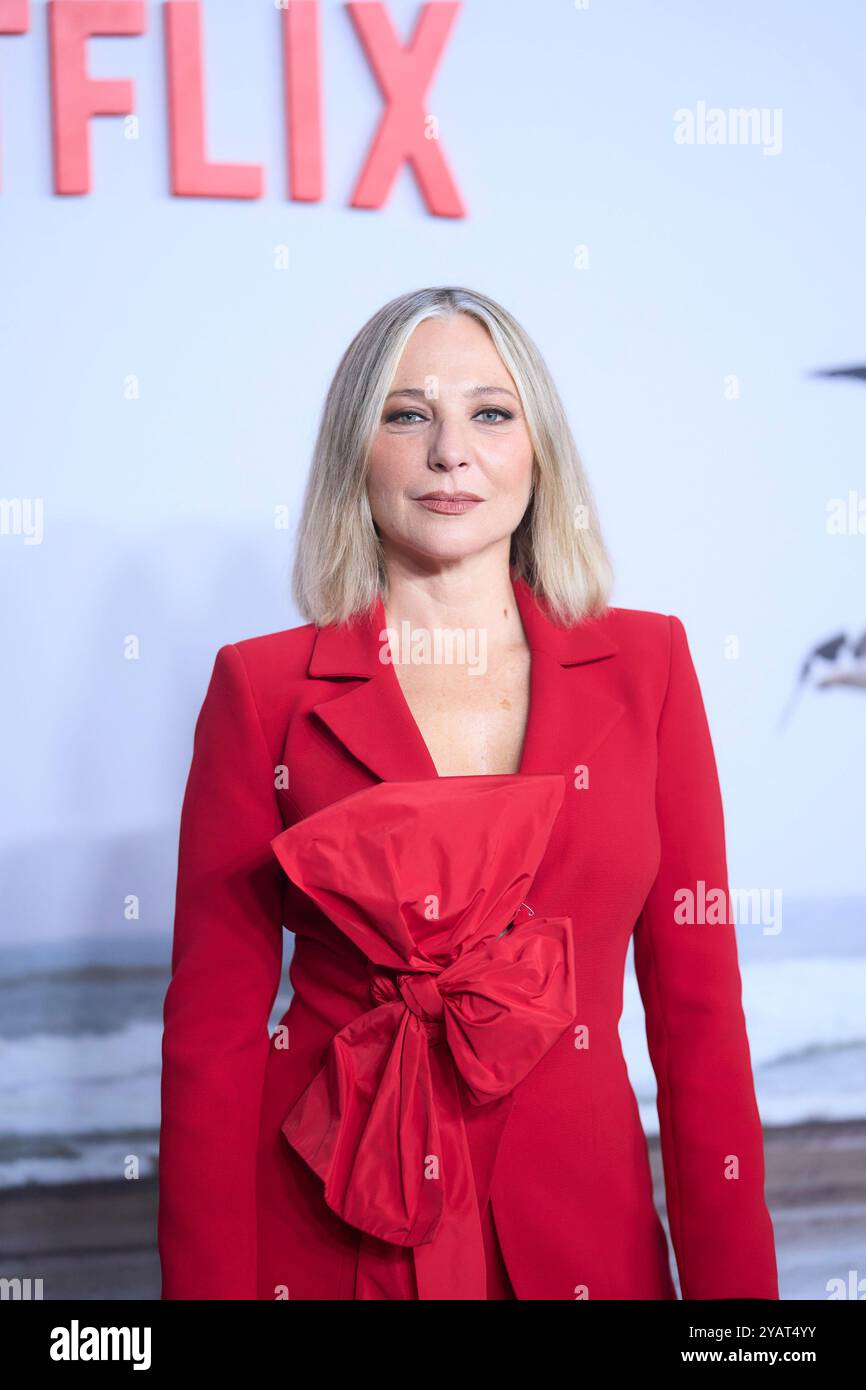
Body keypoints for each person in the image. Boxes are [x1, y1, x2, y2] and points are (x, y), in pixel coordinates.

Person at [157, 286, 779, 1301]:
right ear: (355, 451)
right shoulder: (259, 688)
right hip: (325, 1241)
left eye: (490, 412)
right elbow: (212, 1042)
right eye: (407, 414)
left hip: (587, 1244)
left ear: (539, 450)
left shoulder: (648, 665)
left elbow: (698, 1021)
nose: (451, 451)